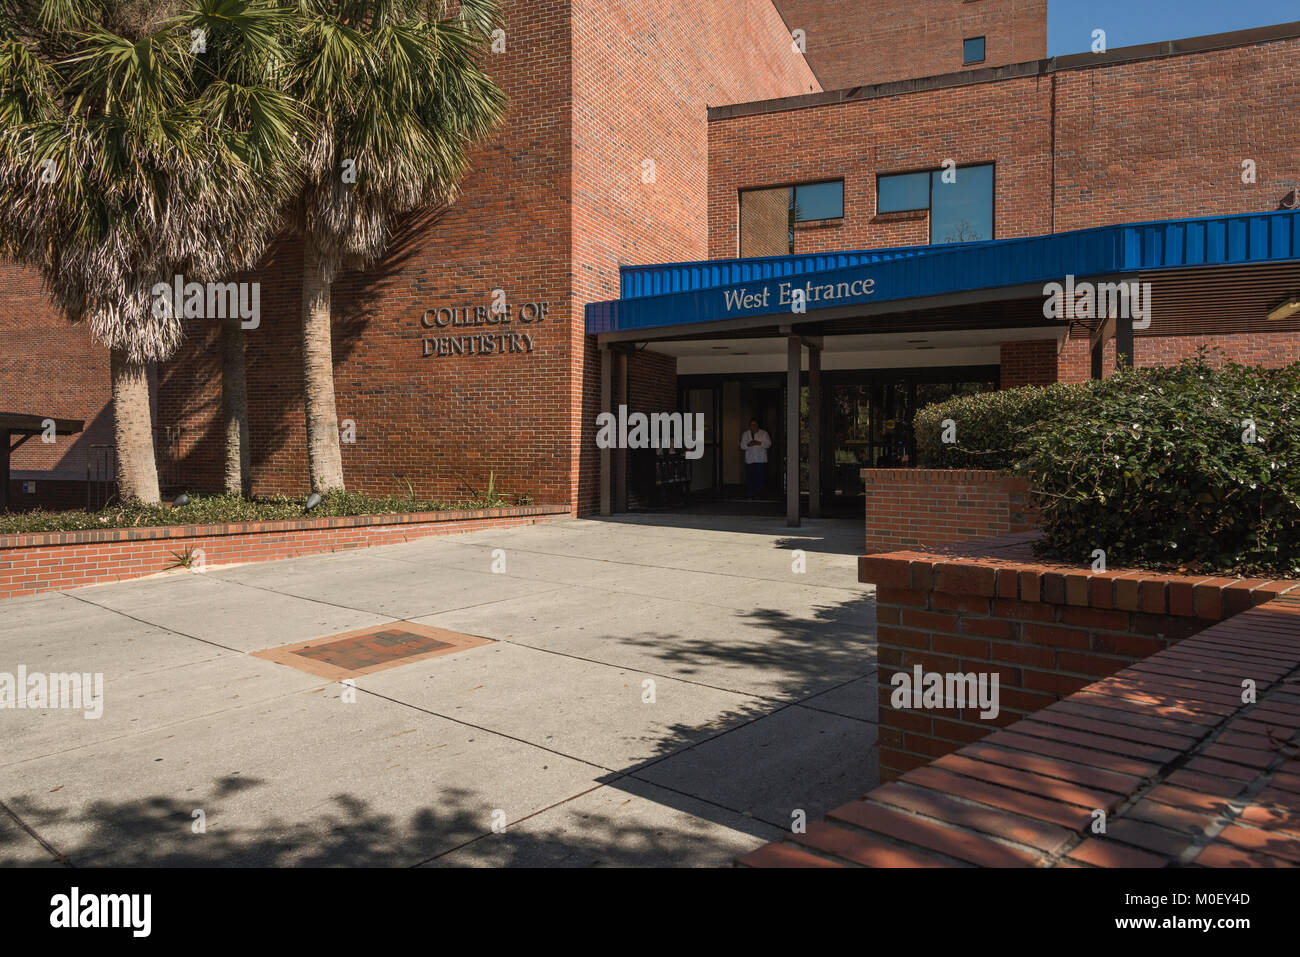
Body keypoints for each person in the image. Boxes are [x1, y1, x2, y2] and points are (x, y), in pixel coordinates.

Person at [740, 418, 772, 500]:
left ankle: (758, 494)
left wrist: (758, 443)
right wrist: (749, 444)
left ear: (758, 425)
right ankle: (750, 494)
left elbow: (768, 444)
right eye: (751, 425)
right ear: (749, 425)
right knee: (750, 478)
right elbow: (742, 446)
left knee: (760, 477)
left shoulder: (764, 433)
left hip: (761, 460)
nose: (753, 426)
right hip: (750, 460)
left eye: (755, 424)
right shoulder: (745, 434)